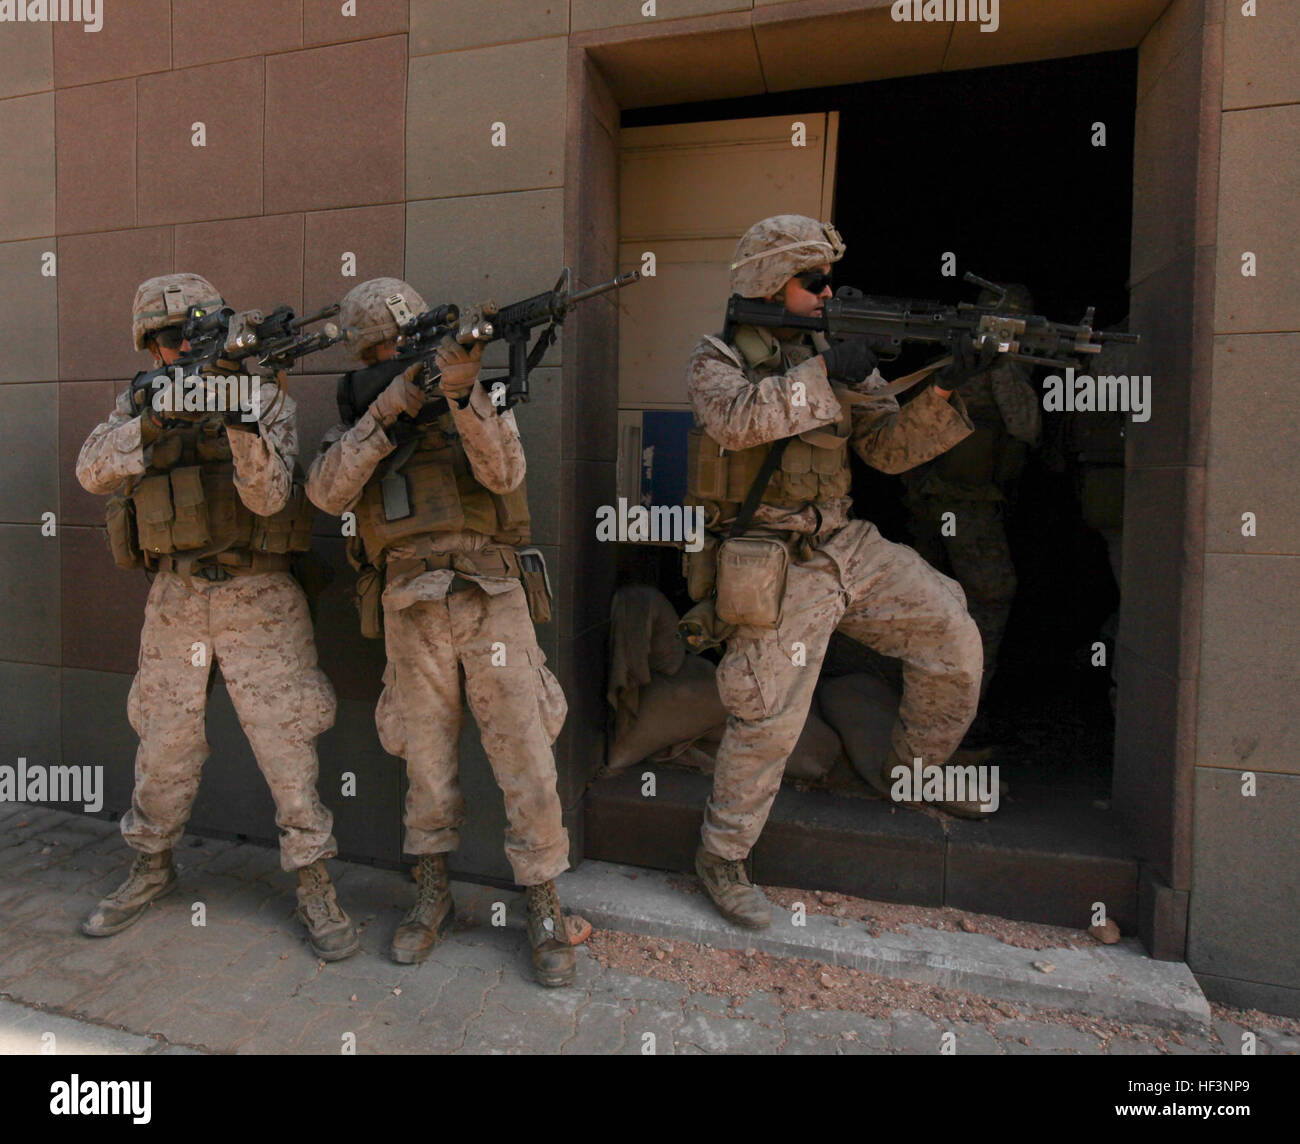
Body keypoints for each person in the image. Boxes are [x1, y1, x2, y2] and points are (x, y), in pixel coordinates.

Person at [683, 215, 989, 930]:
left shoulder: (833, 348)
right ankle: (722, 856)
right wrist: (825, 374)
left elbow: (885, 449)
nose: (827, 293)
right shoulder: (718, 356)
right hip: (770, 555)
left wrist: (947, 390)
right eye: (811, 282)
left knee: (952, 635)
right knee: (768, 714)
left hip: (845, 542)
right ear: (767, 284)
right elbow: (734, 420)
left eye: (830, 281)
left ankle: (914, 772)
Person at [76, 273, 357, 961]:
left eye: (185, 337)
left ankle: (314, 881)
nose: (177, 351)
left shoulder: (262, 397)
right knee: (165, 743)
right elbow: (90, 470)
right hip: (176, 597)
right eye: (164, 342)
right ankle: (150, 865)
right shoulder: (137, 402)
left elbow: (267, 499)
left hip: (258, 597)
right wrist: (151, 420)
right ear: (150, 348)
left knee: (286, 747)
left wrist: (234, 412)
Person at [305, 277, 575, 987]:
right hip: (410, 604)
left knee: (525, 751)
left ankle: (543, 899)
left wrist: (463, 396)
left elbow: (507, 469)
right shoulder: (363, 418)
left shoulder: (474, 397)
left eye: (412, 349)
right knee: (425, 759)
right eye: (392, 353)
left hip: (490, 593)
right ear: (371, 357)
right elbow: (326, 490)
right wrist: (390, 409)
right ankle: (431, 891)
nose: (410, 360)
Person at [902, 284, 1042, 702]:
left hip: (928, 500)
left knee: (930, 600)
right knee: (992, 593)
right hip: (965, 503)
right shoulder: (997, 368)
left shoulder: (945, 363)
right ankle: (963, 706)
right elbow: (1026, 427)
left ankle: (922, 697)